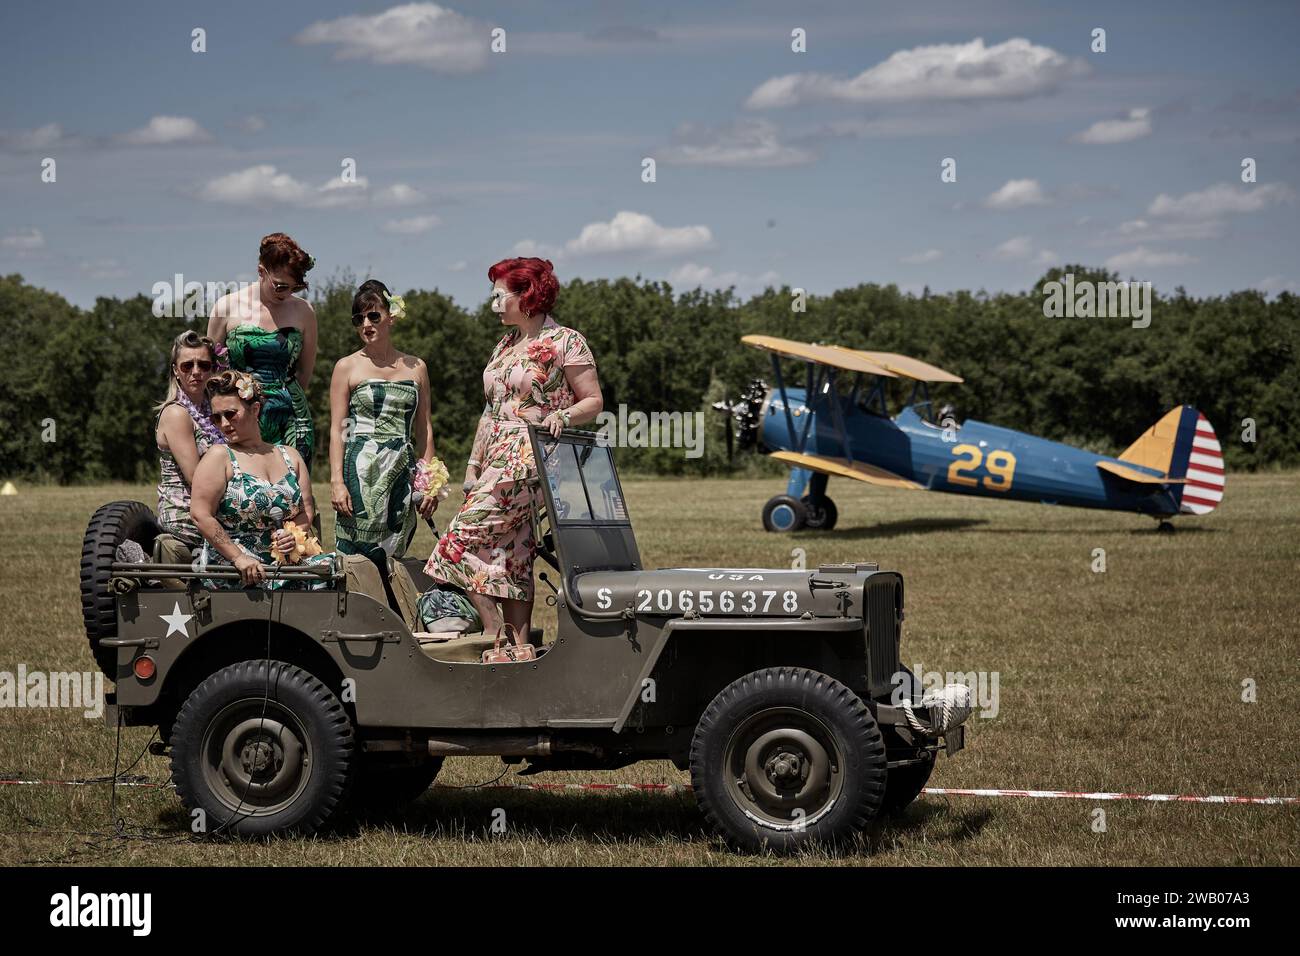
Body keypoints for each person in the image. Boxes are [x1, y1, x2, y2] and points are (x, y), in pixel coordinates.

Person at [424, 257, 603, 658]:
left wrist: (562, 414)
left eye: (499, 294)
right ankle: (519, 649)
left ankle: (497, 637)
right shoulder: (505, 346)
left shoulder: (566, 341)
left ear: (527, 295)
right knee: (513, 551)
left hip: (534, 456)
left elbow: (593, 400)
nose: (493, 302)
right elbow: (490, 412)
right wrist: (473, 465)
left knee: (457, 542)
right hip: (496, 457)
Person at [190, 370, 333, 590]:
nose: (224, 424)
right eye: (216, 417)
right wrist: (238, 557)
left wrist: (293, 535)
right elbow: (200, 514)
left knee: (332, 570)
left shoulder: (290, 456)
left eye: (230, 414)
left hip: (285, 559)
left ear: (255, 409)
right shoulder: (219, 456)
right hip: (236, 565)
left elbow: (306, 511)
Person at [329, 279, 439, 559]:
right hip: (360, 470)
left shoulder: (417, 367)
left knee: (395, 553)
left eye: (373, 315)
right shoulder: (346, 366)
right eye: (359, 318)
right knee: (357, 559)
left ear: (391, 317)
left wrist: (429, 484)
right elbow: (337, 430)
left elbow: (424, 428)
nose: (366, 324)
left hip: (401, 468)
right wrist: (337, 482)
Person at [206, 232, 318, 468]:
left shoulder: (304, 311)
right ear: (261, 272)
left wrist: (285, 399)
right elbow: (210, 372)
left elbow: (304, 373)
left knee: (293, 493)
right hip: (239, 417)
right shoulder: (226, 307)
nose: (286, 293)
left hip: (291, 418)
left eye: (294, 287)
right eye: (280, 286)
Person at [155, 330, 226, 550]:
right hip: (187, 517)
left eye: (204, 365)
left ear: (213, 369)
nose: (196, 372)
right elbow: (196, 479)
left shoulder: (214, 409)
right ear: (176, 370)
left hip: (217, 507)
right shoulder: (176, 414)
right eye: (187, 366)